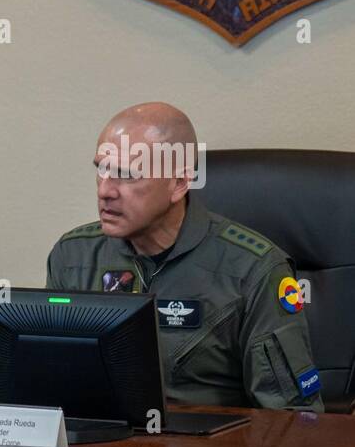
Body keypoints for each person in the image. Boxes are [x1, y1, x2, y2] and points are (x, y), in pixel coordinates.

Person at [46, 102, 323, 410]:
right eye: (101, 169)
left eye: (126, 175)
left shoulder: (255, 269)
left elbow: (292, 420)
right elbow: (54, 386)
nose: (105, 190)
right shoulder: (72, 256)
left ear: (178, 184)